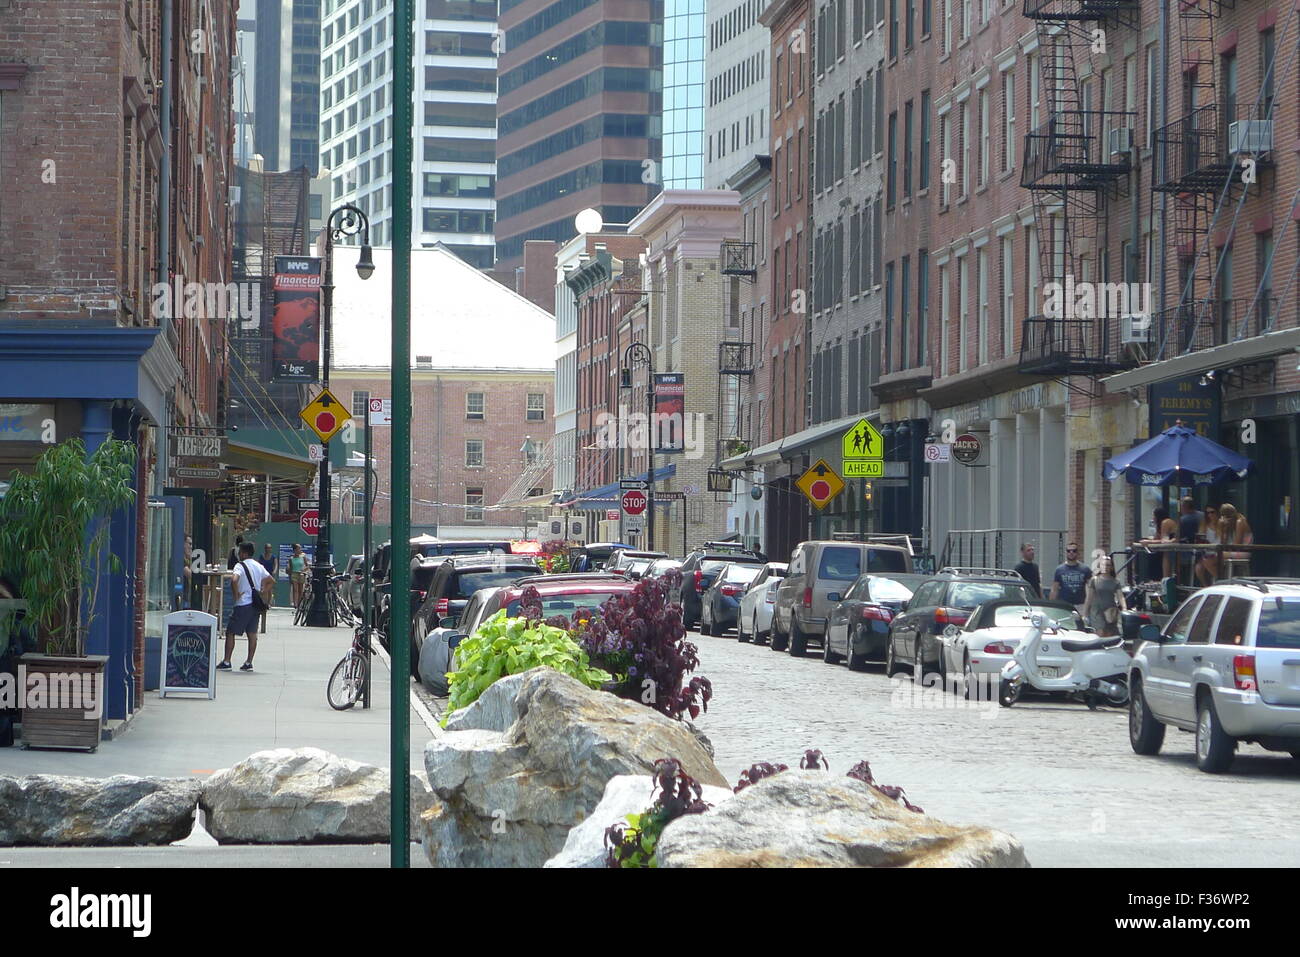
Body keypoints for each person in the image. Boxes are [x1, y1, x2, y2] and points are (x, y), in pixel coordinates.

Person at [221, 541, 272, 672]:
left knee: (230, 632)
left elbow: (234, 580)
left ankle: (227, 661)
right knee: (252, 633)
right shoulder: (258, 565)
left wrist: (236, 594)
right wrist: (263, 591)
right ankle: (249, 662)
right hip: (255, 604)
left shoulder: (239, 566)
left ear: (244, 553)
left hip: (243, 604)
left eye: (240, 552)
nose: (238, 554)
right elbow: (271, 580)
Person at [1085, 556, 1126, 636]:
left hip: (1110, 611)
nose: (1105, 567)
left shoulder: (1115, 581)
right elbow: (1089, 598)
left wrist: (1124, 608)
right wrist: (1085, 613)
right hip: (1097, 612)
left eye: (1108, 565)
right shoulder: (1094, 580)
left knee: (1109, 634)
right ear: (1099, 566)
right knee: (1100, 632)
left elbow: (1120, 597)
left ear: (1111, 567)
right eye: (1103, 565)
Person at [1050, 542, 1092, 616]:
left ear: (1077, 552)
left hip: (1081, 605)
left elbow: (1091, 589)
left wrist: (1088, 606)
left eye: (1074, 551)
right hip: (1064, 605)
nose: (1071, 553)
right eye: (1068, 551)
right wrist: (1052, 606)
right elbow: (1054, 590)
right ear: (1066, 553)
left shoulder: (1085, 569)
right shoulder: (1059, 569)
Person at [1141, 506, 1178, 579]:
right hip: (1167, 549)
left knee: (1163, 556)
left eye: (1154, 516)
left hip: (1172, 549)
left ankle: (1165, 578)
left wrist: (1149, 542)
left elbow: (1164, 541)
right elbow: (1157, 538)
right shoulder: (1159, 525)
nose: (1153, 518)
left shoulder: (1166, 522)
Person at [1218, 503, 1254, 574]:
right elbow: (1223, 545)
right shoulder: (1230, 525)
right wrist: (1223, 530)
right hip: (1235, 551)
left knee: (1217, 555)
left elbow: (1237, 545)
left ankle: (1221, 577)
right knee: (1212, 556)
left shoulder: (1240, 522)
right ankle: (1221, 577)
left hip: (1244, 552)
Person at [1177, 496, 1204, 584]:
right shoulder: (1203, 516)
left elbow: (1177, 538)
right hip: (1205, 549)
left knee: (1171, 554)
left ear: (1184, 507)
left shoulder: (1183, 520)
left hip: (1192, 552)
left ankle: (1176, 581)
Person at [1195, 505, 1221, 586]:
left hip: (1219, 551)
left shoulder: (1222, 524)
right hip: (1208, 551)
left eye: (1212, 512)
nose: (1210, 515)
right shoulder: (1204, 525)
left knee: (1207, 562)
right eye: (1207, 513)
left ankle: (1220, 581)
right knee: (1199, 568)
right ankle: (1206, 587)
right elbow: (1200, 540)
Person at [257, 544, 279, 632]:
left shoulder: (273, 557)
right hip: (263, 575)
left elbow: (276, 565)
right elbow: (259, 564)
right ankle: (264, 602)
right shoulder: (261, 556)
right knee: (264, 589)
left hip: (270, 574)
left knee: (269, 589)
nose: (268, 549)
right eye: (267, 548)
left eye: (269, 548)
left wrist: (274, 571)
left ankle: (268, 603)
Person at [288, 543, 309, 608]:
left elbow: (307, 566)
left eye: (300, 548)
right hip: (294, 574)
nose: (300, 550)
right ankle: (295, 603)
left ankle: (300, 603)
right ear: (295, 550)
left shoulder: (303, 556)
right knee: (295, 589)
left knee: (300, 589)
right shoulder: (291, 558)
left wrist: (303, 570)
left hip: (301, 574)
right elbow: (291, 568)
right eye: (298, 548)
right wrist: (290, 577)